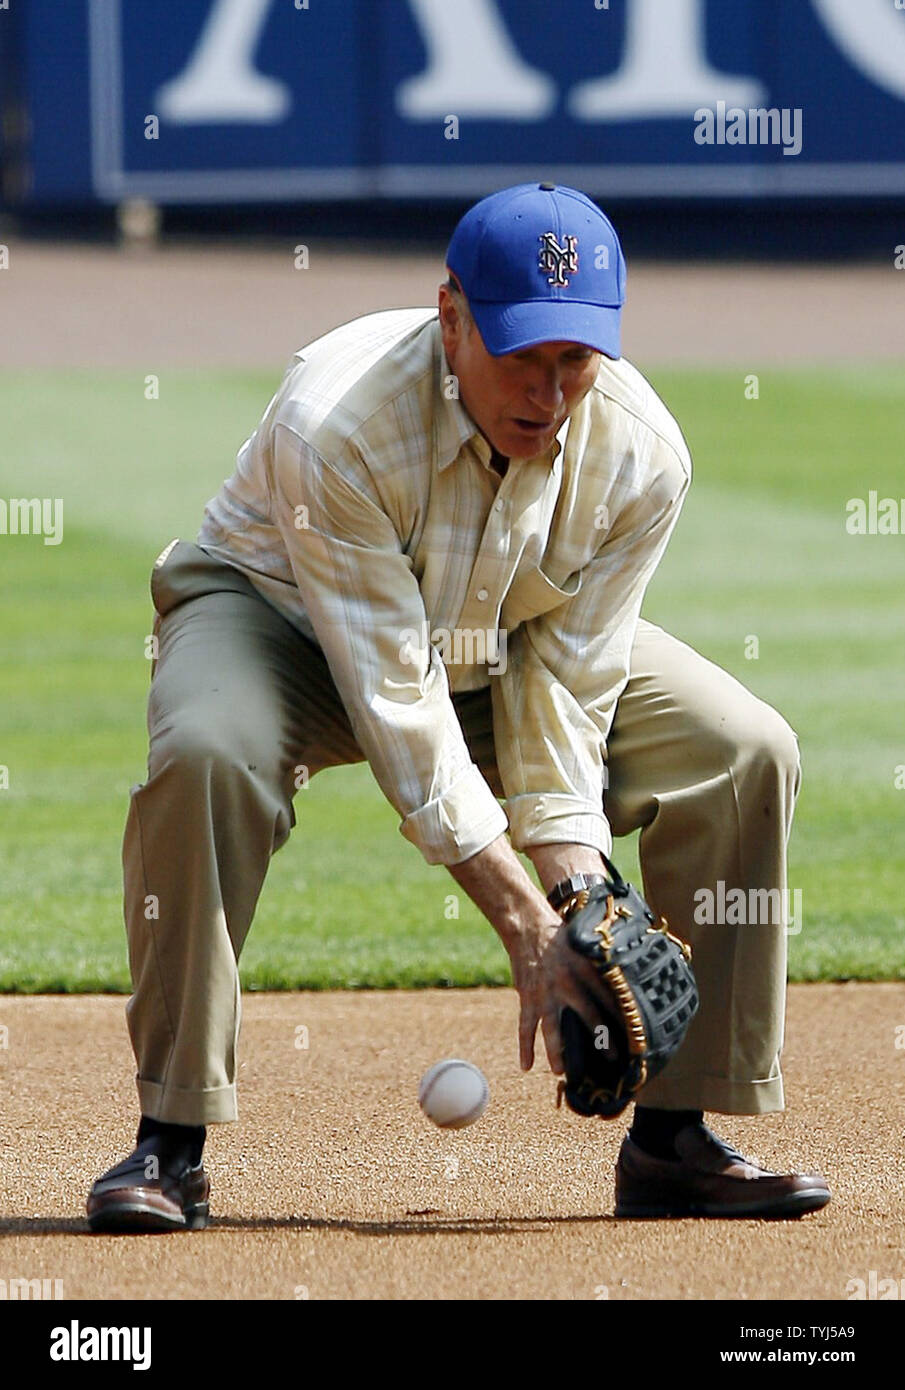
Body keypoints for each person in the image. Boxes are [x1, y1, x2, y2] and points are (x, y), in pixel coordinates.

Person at [87, 183, 829, 1231]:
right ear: (451, 318)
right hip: (279, 622)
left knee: (741, 747)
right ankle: (171, 1142)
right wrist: (526, 928)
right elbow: (396, 700)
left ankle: (673, 1138)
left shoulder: (640, 454)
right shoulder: (336, 422)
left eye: (575, 360)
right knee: (212, 750)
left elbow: (565, 681)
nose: (550, 390)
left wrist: (580, 896)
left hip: (502, 650)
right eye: (522, 357)